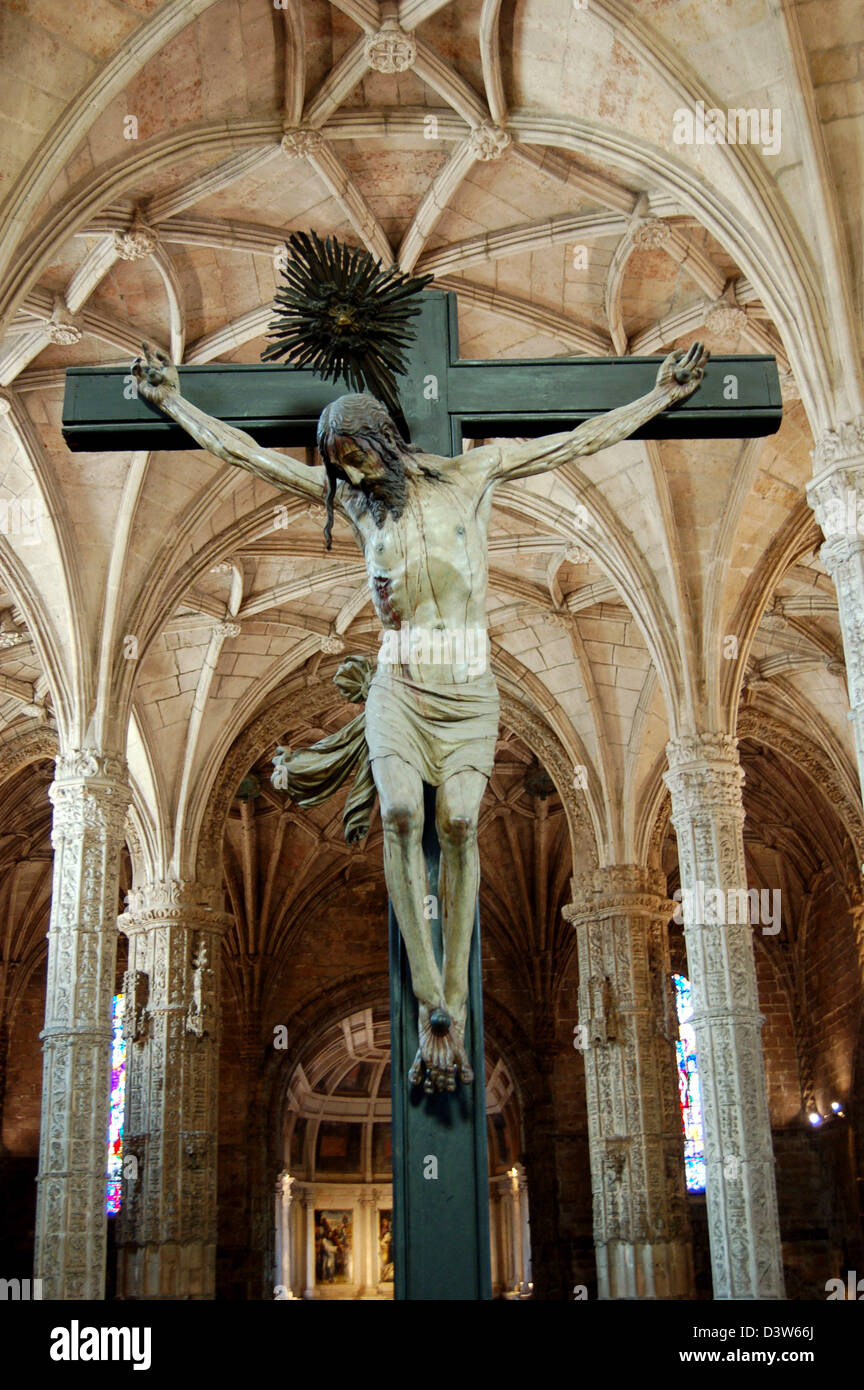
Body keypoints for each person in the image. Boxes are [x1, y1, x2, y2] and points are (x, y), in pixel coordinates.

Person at [132, 341, 708, 1092]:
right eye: (339, 467)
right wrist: (174, 402)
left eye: (357, 458)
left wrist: (658, 399)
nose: (352, 476)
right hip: (398, 685)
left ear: (381, 441)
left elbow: (575, 440)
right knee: (402, 813)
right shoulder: (366, 516)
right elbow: (248, 457)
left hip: (468, 689)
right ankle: (434, 1001)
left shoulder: (473, 477)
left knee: (462, 824)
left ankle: (455, 1007)